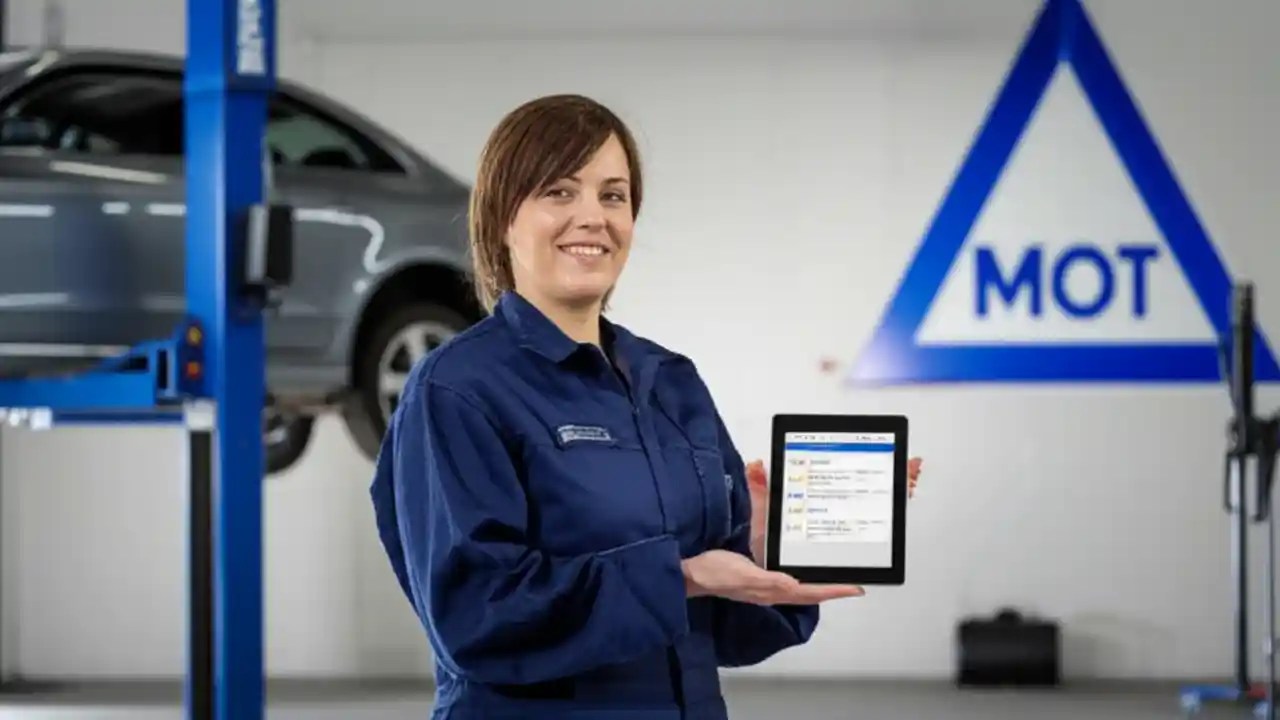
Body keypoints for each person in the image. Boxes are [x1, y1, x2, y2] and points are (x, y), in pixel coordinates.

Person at [369, 94, 925, 720]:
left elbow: (720, 633)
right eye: (559, 192)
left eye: (613, 195)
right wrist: (682, 575)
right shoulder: (457, 389)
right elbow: (476, 617)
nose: (593, 217)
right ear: (503, 218)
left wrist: (766, 548)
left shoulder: (671, 382)